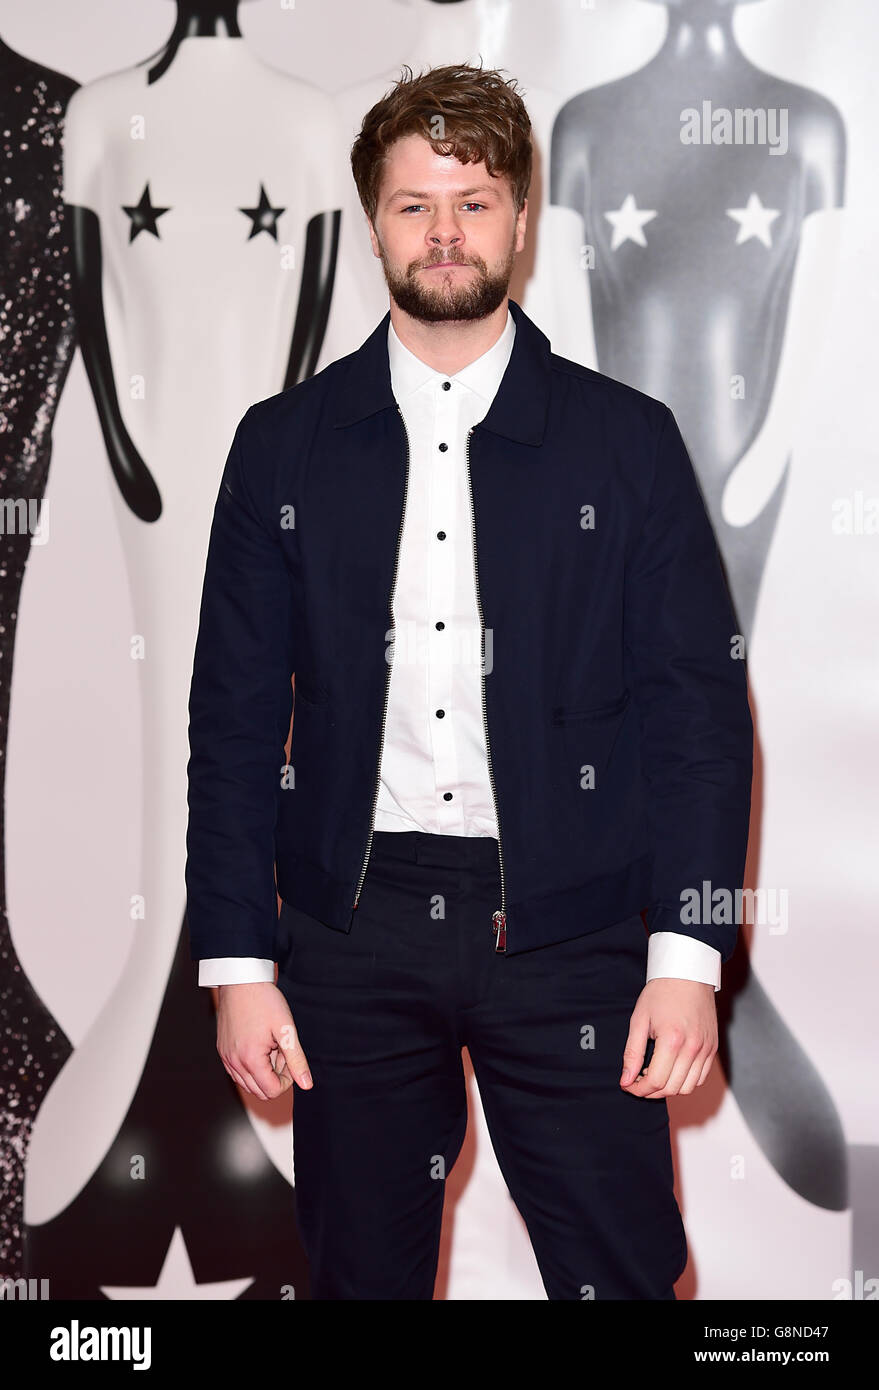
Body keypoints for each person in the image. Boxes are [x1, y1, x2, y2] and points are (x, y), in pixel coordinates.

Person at [185, 62, 753, 1301]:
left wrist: (688, 955)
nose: (445, 232)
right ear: (373, 225)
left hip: (581, 928)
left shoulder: (627, 440)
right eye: (413, 205)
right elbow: (230, 723)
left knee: (621, 1273)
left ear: (522, 223)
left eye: (475, 201)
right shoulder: (282, 446)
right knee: (361, 1279)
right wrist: (238, 967)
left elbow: (696, 719)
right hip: (351, 927)